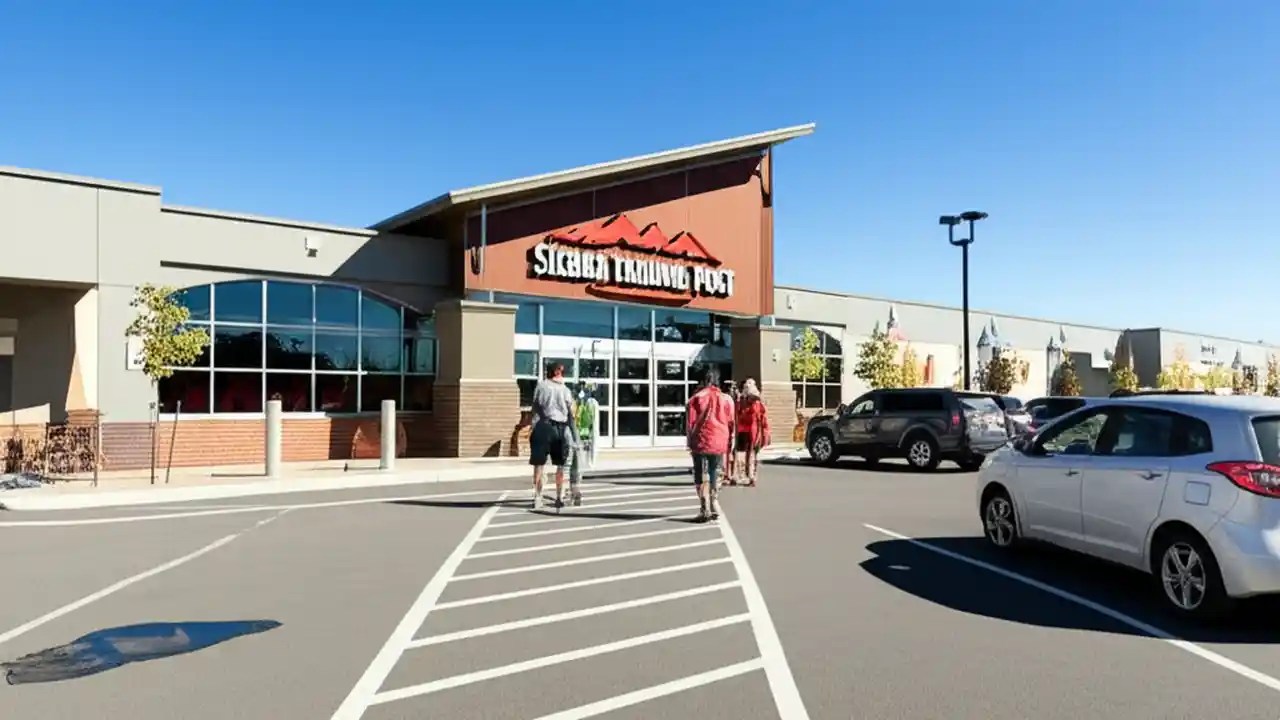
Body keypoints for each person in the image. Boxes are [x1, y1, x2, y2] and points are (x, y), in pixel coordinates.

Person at [686, 369, 734, 522]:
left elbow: (690, 423)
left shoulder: (695, 399)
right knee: (716, 471)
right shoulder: (727, 399)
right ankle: (714, 501)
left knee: (700, 474)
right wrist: (730, 442)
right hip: (720, 439)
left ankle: (703, 506)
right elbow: (731, 422)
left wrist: (689, 442)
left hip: (700, 440)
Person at [528, 363, 576, 509]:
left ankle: (537, 497)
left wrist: (533, 425)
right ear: (557, 373)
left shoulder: (541, 386)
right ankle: (559, 497)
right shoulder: (566, 390)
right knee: (560, 465)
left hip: (543, 426)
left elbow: (535, 407)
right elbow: (572, 412)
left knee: (539, 465)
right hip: (560, 428)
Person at [564, 383, 600, 507]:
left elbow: (571, 423)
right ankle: (576, 491)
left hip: (572, 440)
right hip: (583, 439)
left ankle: (571, 492)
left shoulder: (572, 406)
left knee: (569, 467)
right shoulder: (587, 405)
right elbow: (591, 424)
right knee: (577, 469)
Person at [734, 378, 771, 487]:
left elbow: (761, 417)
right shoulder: (743, 401)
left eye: (749, 386)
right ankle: (748, 475)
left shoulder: (755, 402)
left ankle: (750, 476)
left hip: (751, 431)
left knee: (750, 454)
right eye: (746, 386)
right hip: (746, 431)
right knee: (747, 455)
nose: (747, 388)